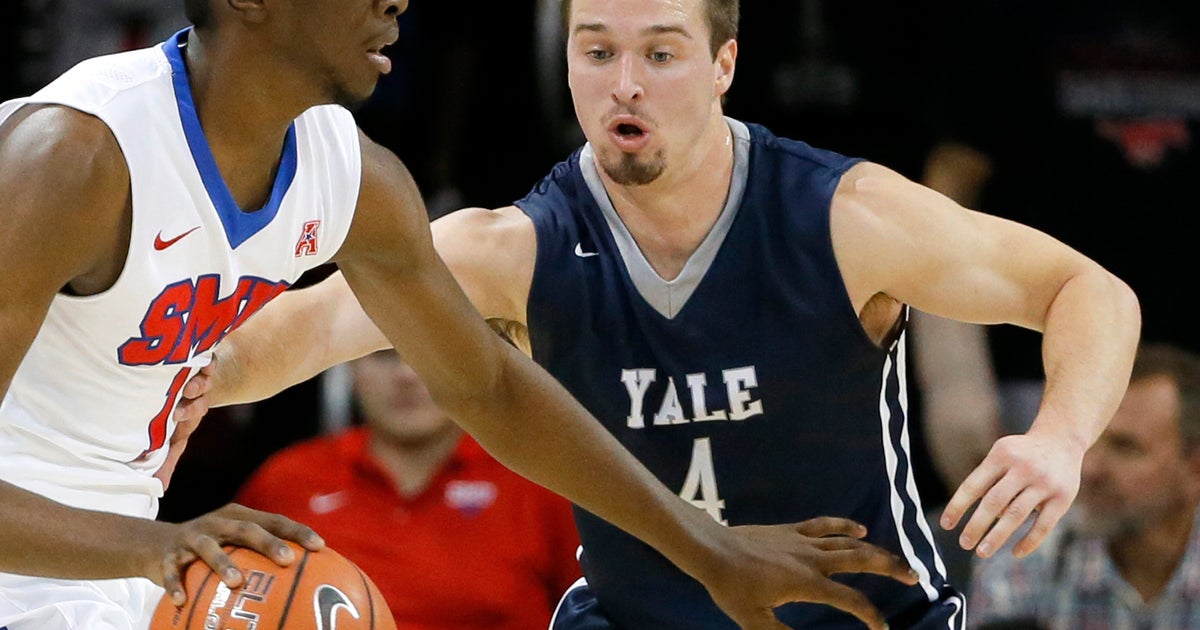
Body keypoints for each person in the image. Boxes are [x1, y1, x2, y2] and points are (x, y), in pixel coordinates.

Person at [178, 0, 1141, 627]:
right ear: (566, 67)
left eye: (661, 54)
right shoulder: (513, 248)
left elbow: (1087, 289)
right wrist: (132, 407)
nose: (624, 83)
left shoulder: (843, 217)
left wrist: (1059, 437)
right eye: (597, 52)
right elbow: (279, 342)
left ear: (725, 65)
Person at [0, 0, 926, 629]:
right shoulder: (73, 158)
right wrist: (159, 543)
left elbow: (487, 386)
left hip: (111, 560)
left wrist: (708, 550)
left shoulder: (349, 175)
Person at [236, 350, 582, 629]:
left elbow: (594, 610)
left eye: (423, 351)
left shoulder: (538, 482)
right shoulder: (286, 479)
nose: (406, 374)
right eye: (383, 355)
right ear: (350, 369)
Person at [968, 343, 1200, 629]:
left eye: (1125, 447)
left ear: (1195, 469)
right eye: (1090, 442)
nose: (1089, 469)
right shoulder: (1023, 558)